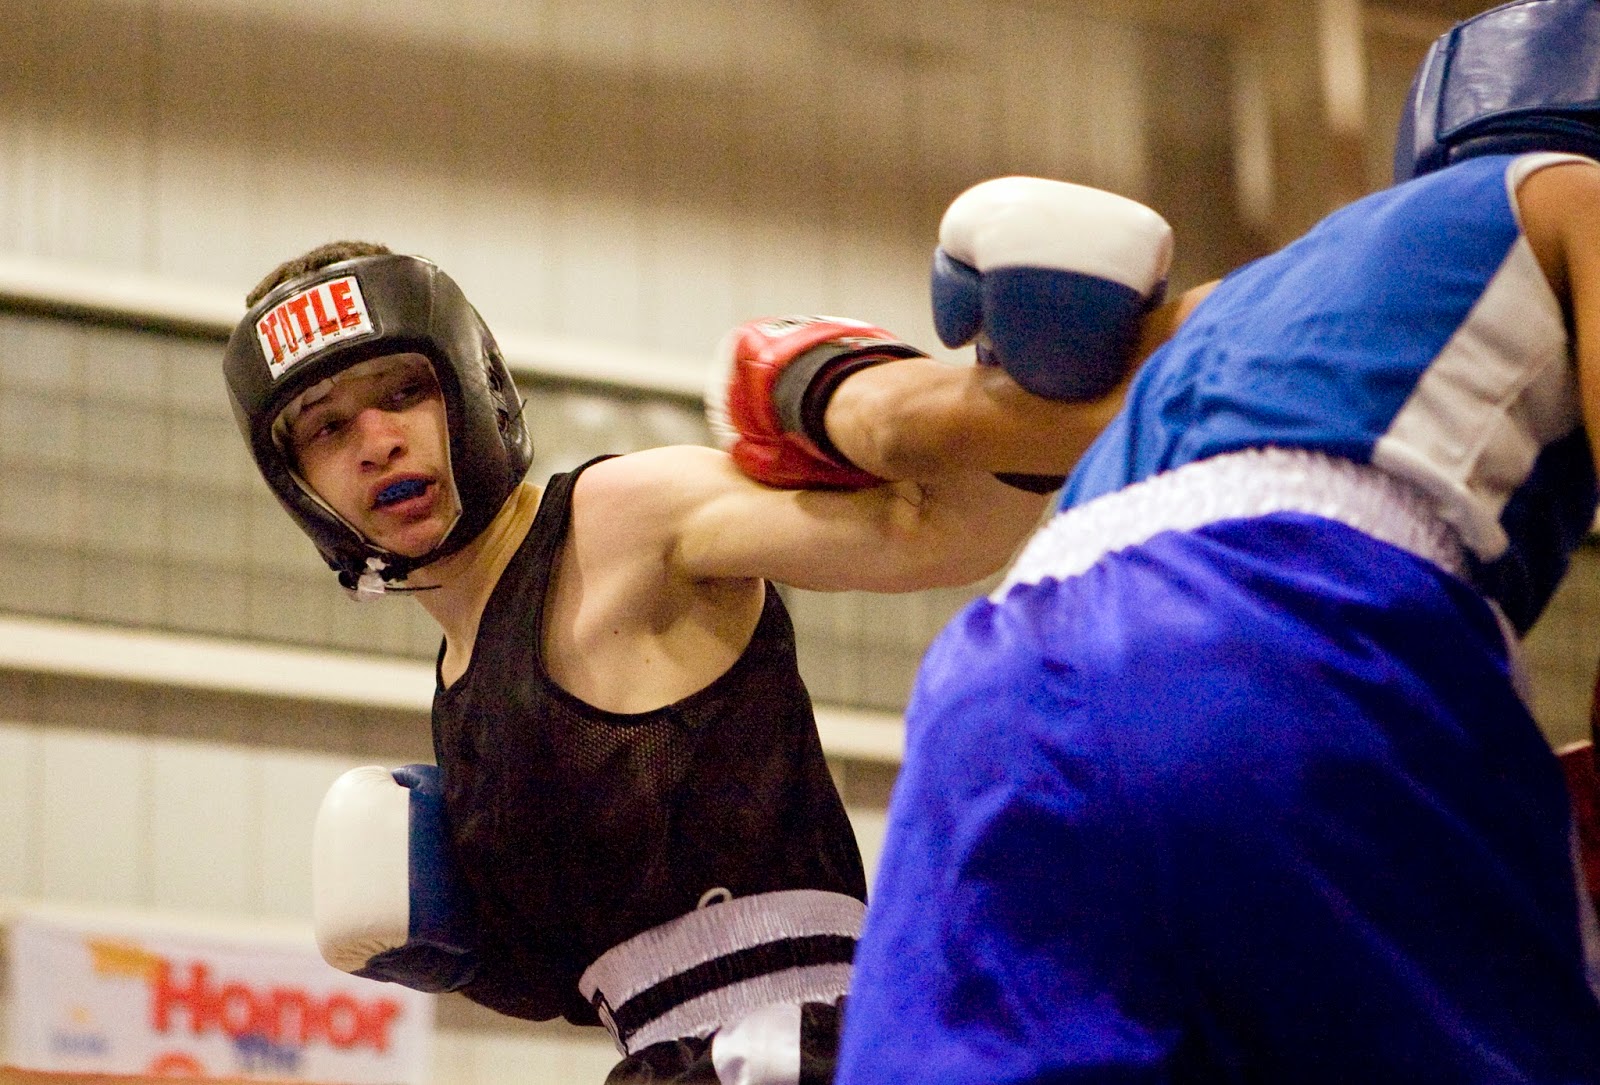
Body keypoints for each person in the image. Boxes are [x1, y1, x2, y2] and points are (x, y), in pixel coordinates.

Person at [823, 2, 1600, 1081]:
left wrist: (811, 390)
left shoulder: (1262, 290)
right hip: (1300, 636)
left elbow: (920, 421)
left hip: (1005, 673)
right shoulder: (1580, 200)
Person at [221, 231, 1177, 1082]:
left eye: (403, 393)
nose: (379, 442)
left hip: (807, 1043)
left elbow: (925, 528)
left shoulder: (619, 519)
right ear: (299, 484)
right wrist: (476, 949)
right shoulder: (460, 685)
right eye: (327, 427)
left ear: (472, 386)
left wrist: (1050, 375)